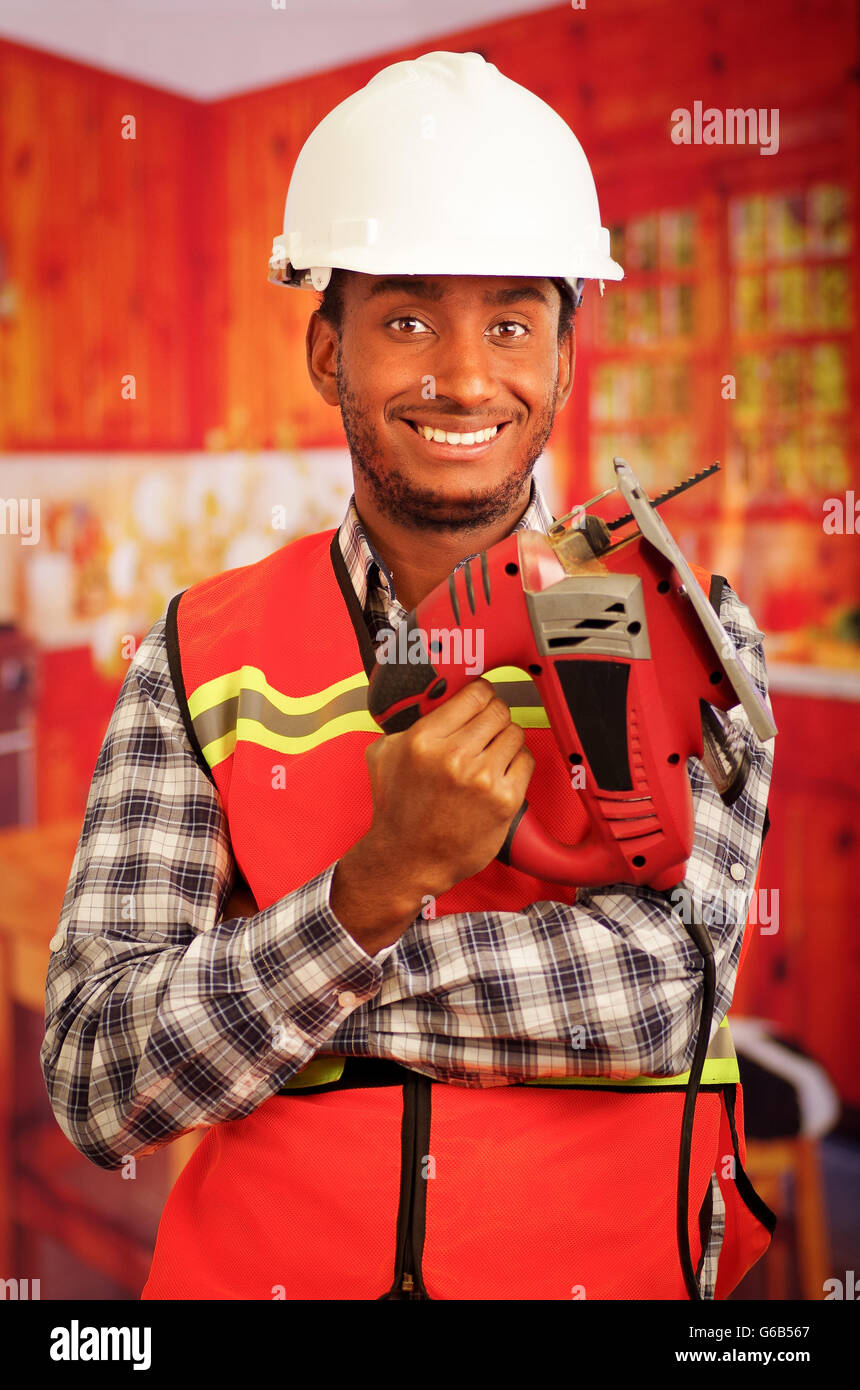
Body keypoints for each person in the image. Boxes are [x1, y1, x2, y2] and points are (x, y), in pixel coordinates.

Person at [41, 50, 775, 1300]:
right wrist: (373, 886)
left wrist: (274, 998)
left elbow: (657, 991)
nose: (462, 375)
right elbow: (103, 1079)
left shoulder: (681, 625)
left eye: (507, 321)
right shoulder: (194, 649)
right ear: (327, 353)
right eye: (404, 317)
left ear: (560, 355)